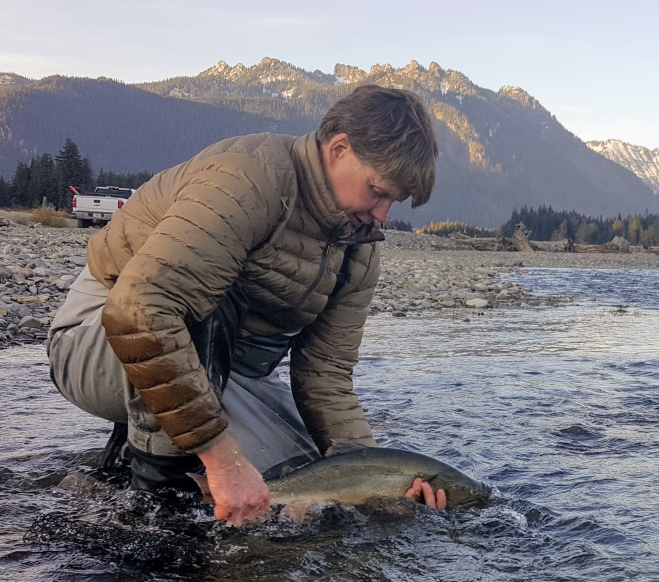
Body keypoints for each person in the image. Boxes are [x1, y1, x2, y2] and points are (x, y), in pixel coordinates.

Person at [47, 85, 444, 525]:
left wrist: (376, 481)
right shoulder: (247, 179)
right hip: (101, 337)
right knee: (202, 313)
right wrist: (223, 460)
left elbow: (326, 378)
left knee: (300, 480)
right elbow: (141, 311)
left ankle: (141, 452)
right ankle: (152, 512)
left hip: (222, 368)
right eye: (377, 191)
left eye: (395, 201)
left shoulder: (359, 248)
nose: (383, 215)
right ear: (339, 149)